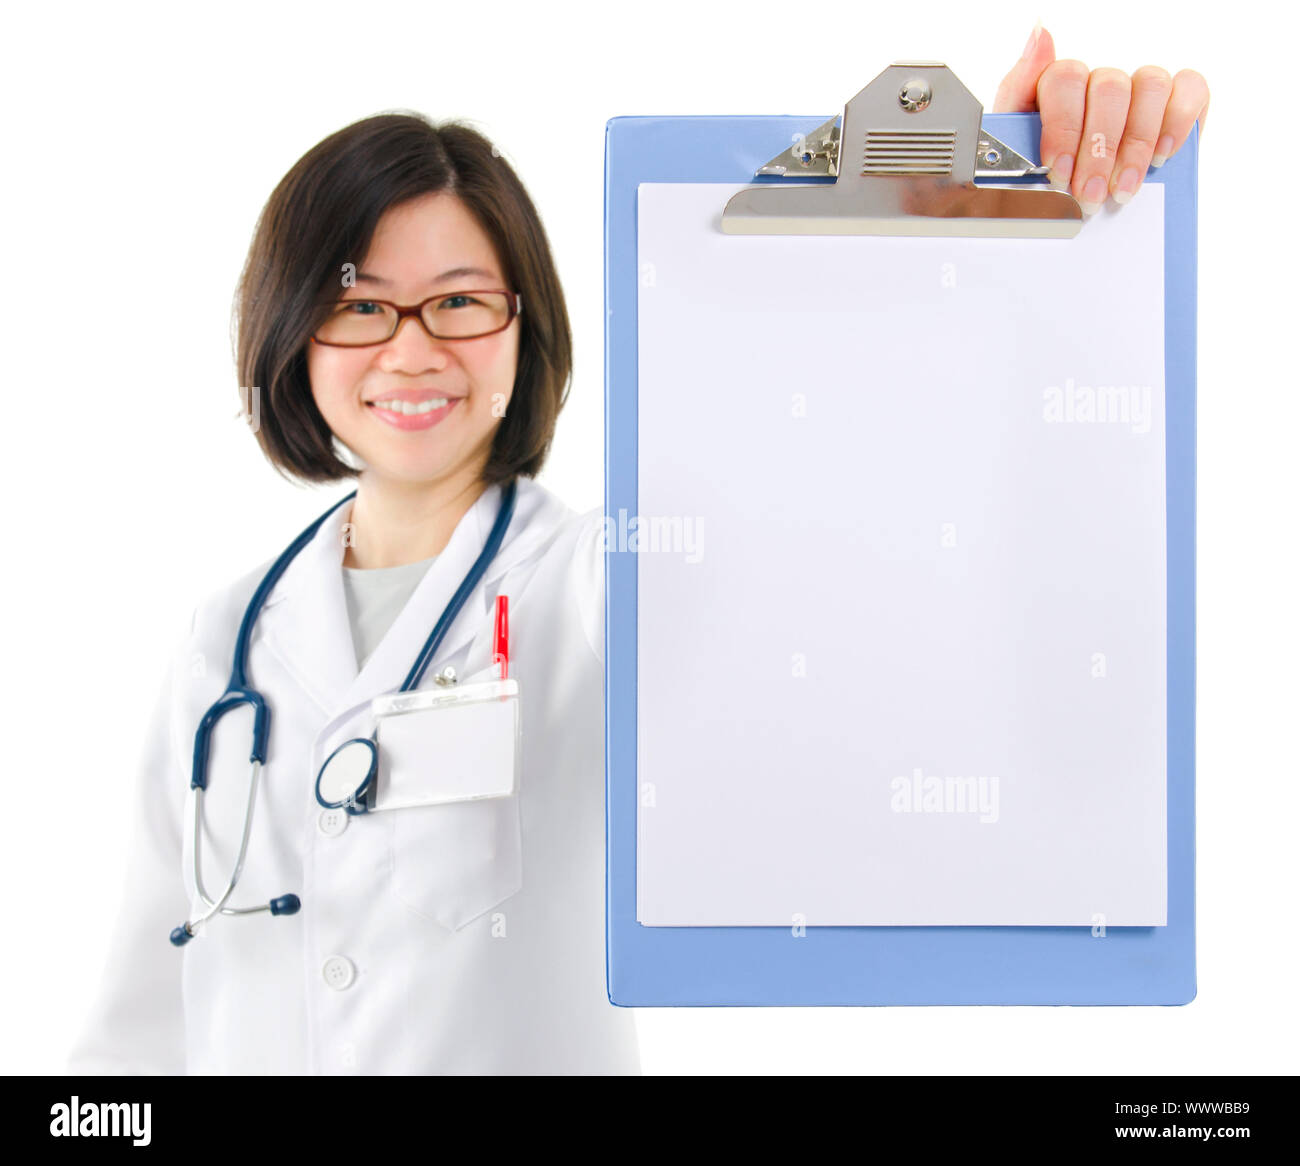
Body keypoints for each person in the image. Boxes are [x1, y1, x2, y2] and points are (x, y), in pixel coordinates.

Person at [68, 27, 1207, 1075]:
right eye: (359, 306)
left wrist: (979, 184)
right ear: (290, 335)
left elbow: (848, 479)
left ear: (528, 322)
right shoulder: (225, 641)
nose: (411, 349)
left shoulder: (617, 583)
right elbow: (133, 1025)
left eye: (460, 301)